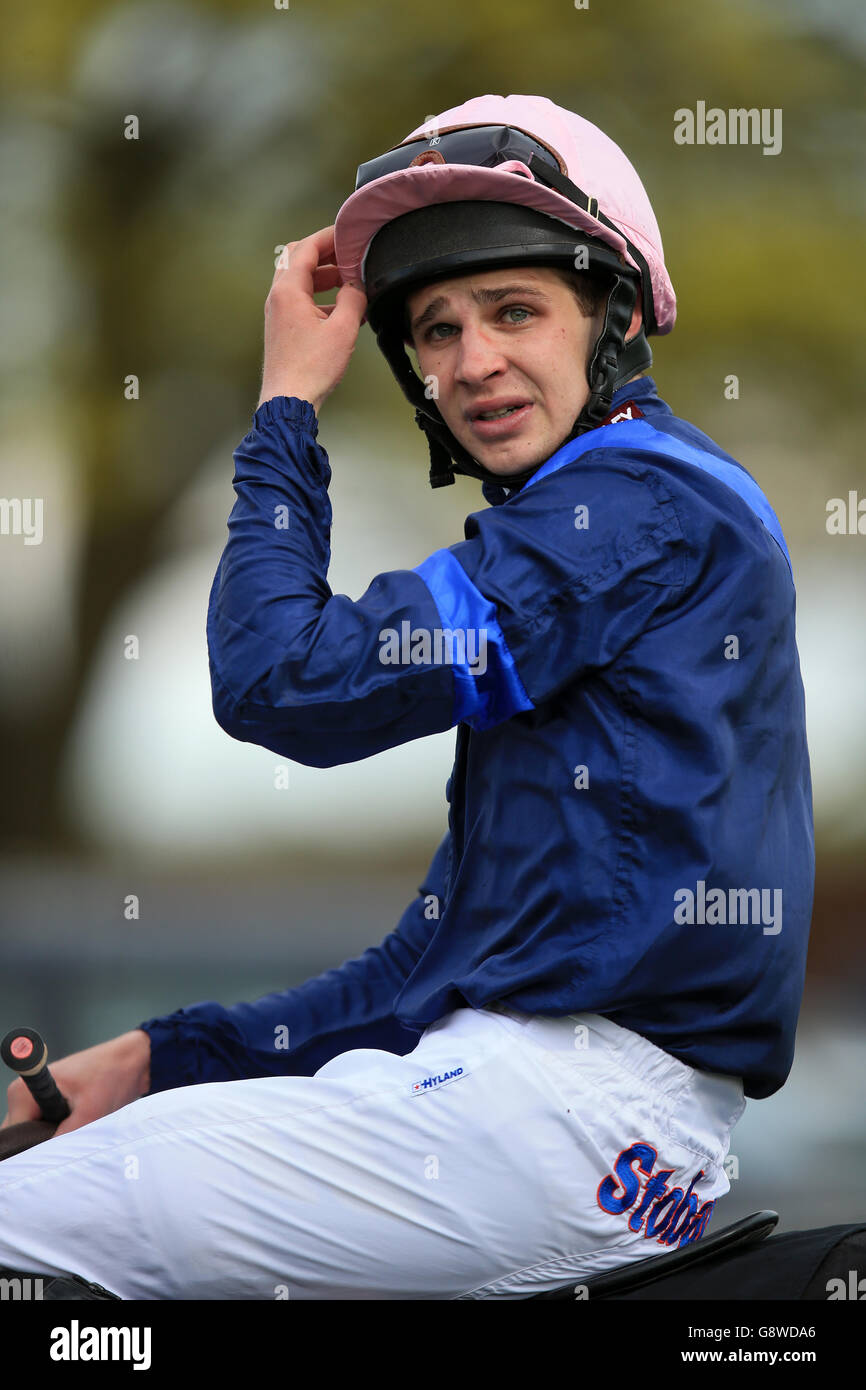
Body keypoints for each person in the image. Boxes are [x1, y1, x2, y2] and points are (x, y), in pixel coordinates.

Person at [0, 94, 813, 1300]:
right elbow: (416, 977)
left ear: (617, 315)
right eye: (433, 330)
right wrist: (148, 1059)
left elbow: (283, 678)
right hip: (557, 1126)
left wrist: (286, 407)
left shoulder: (631, 507)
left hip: (556, 1122)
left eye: (513, 311)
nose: (471, 363)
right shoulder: (613, 540)